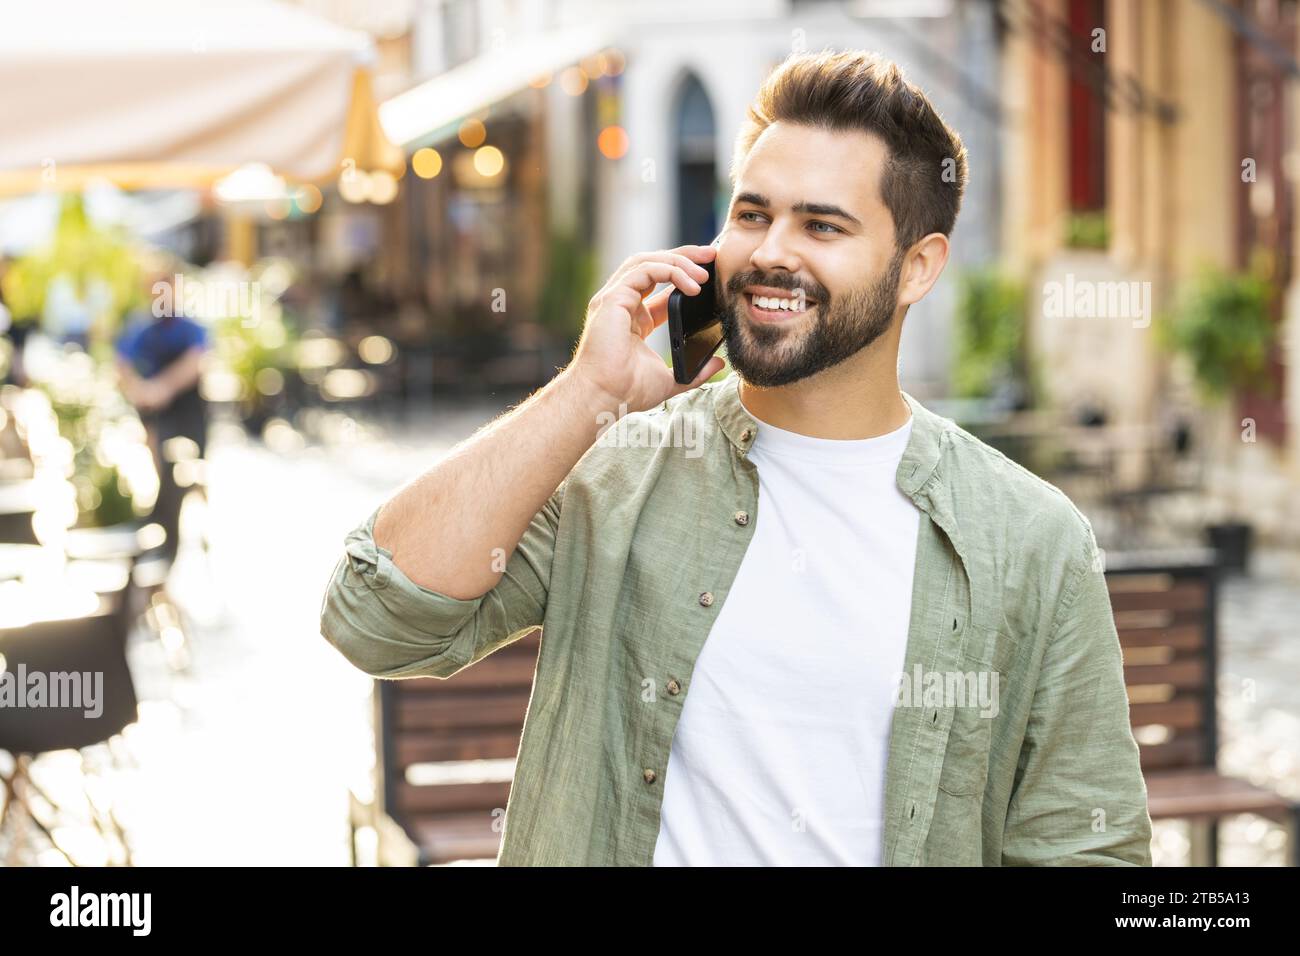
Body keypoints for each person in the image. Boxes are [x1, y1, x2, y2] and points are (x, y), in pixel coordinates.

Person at [319, 50, 1152, 866]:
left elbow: (1087, 844)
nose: (769, 252)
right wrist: (585, 392)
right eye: (752, 214)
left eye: (821, 224)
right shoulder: (619, 469)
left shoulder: (1030, 541)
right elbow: (374, 618)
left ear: (917, 268)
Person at [115, 272, 210, 563]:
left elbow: (196, 361)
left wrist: (163, 387)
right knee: (167, 472)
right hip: (160, 413)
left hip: (189, 409)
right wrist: (141, 391)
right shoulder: (142, 328)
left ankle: (196, 524)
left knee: (191, 472)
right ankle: (169, 538)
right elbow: (123, 365)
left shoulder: (191, 328)